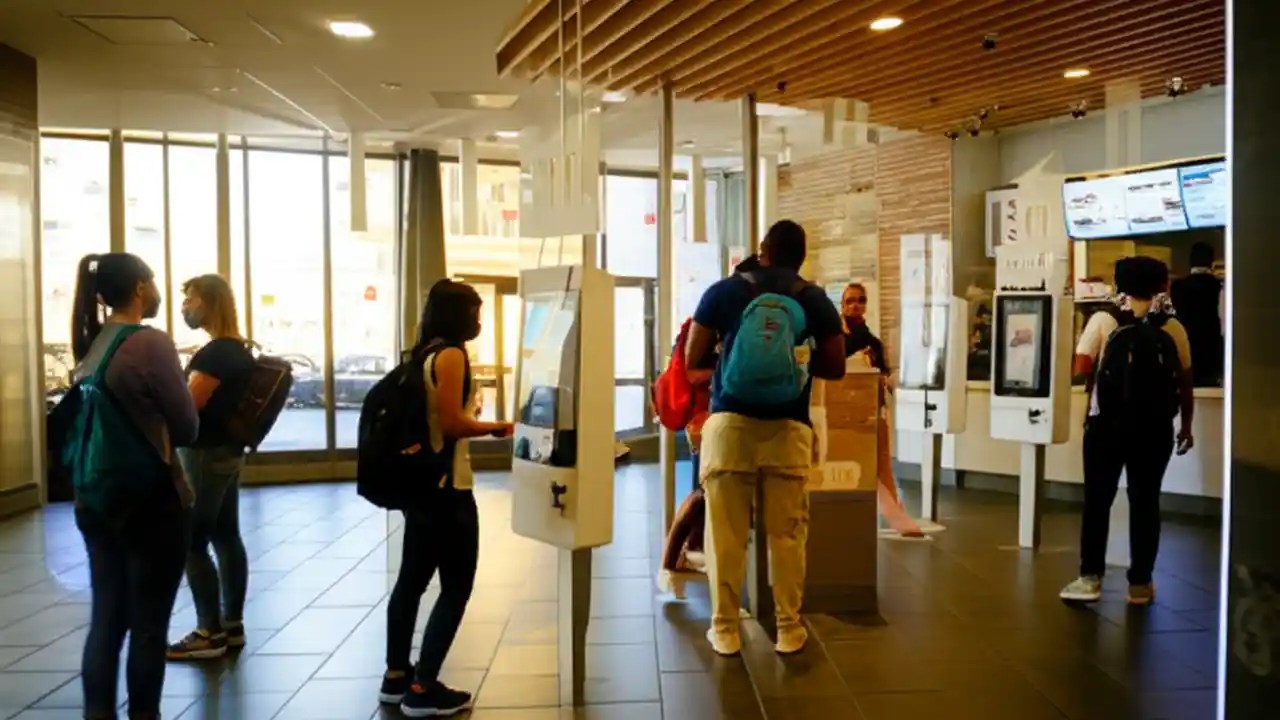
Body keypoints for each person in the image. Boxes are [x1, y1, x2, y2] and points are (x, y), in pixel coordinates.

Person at [685, 220, 846, 656]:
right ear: (802, 257)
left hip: (729, 427)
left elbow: (690, 362)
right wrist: (796, 360)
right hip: (788, 428)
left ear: (765, 251)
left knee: (725, 533)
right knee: (788, 535)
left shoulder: (723, 291)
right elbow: (835, 366)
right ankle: (789, 629)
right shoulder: (812, 298)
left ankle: (725, 630)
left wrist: (726, 365)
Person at [68, 253, 198, 720]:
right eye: (155, 282)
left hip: (93, 499)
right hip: (151, 501)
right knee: (148, 626)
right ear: (141, 288)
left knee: (106, 619)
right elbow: (187, 429)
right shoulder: (150, 343)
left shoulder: (93, 342)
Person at [381, 280, 513, 718]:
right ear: (458, 315)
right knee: (456, 586)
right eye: (475, 313)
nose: (478, 322)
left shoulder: (422, 354)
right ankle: (424, 687)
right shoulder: (452, 355)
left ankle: (396, 676)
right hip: (447, 489)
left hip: (420, 489)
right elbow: (453, 424)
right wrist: (497, 426)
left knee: (411, 582)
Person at [1060, 256, 1194, 606]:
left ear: (1119, 284)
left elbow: (1080, 366)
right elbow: (1184, 380)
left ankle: (1090, 577)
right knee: (1146, 502)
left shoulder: (1104, 319)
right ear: (1161, 285)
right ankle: (1139, 583)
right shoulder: (1172, 327)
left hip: (1106, 426)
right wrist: (1187, 427)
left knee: (1098, 501)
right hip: (1154, 430)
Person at [166, 275, 255, 660]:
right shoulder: (239, 349)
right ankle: (231, 625)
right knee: (226, 535)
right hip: (228, 452)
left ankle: (208, 631)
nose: (185, 306)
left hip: (204, 453)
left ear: (211, 303)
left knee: (190, 541)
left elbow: (190, 408)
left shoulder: (215, 354)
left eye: (191, 299)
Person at [840, 282, 923, 538]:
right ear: (842, 305)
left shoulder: (873, 342)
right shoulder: (834, 339)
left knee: (880, 465)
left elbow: (884, 372)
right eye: (850, 300)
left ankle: (892, 514)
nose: (856, 305)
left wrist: (887, 380)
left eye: (861, 300)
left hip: (871, 412)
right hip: (842, 414)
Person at [1170, 242, 1224, 386]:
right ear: (1211, 262)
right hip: (1211, 349)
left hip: (1186, 345)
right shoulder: (1218, 286)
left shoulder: (1177, 286)